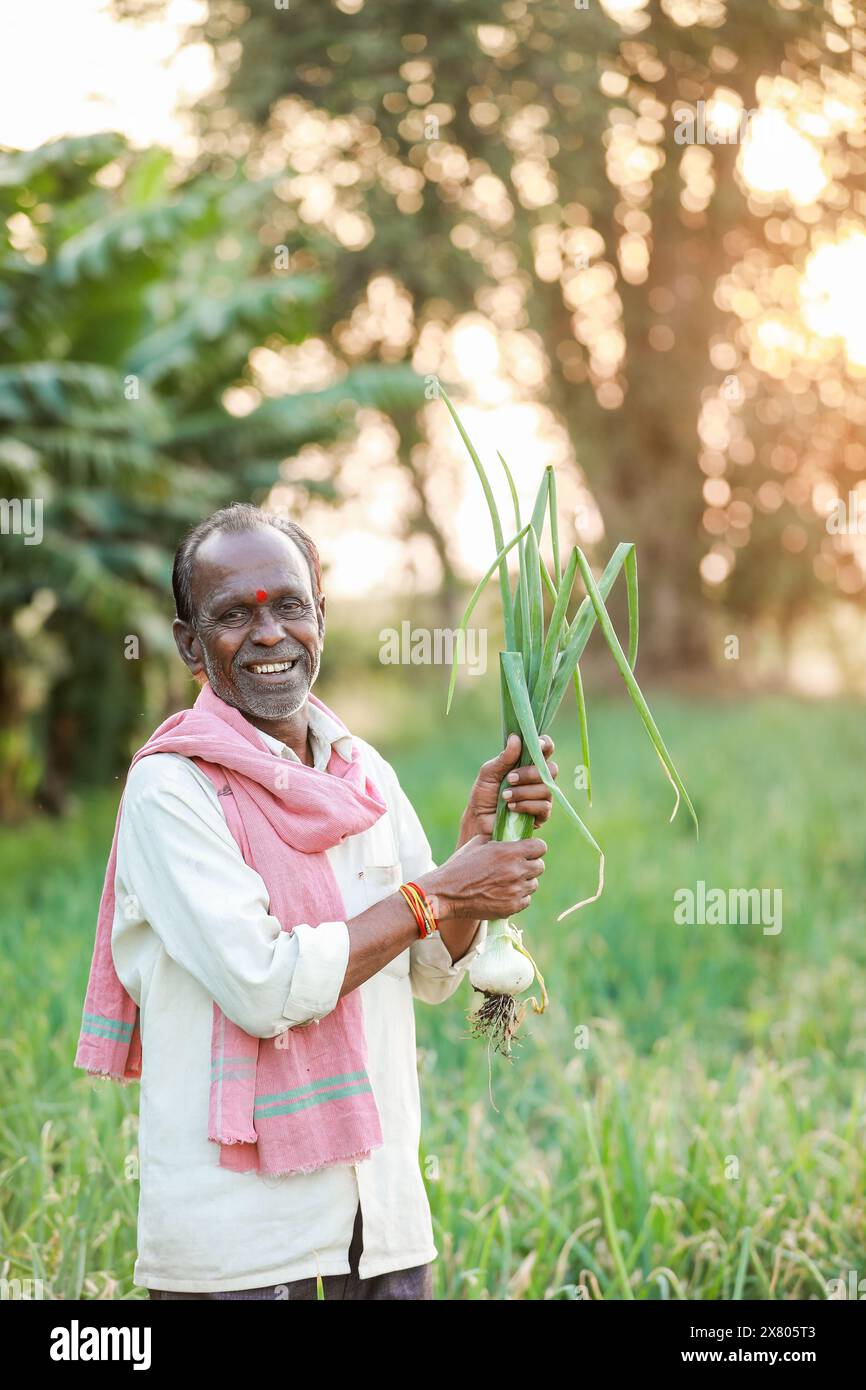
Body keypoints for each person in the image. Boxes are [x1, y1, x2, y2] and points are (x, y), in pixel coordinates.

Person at [75, 503, 556, 1300]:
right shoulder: (171, 790)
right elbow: (267, 987)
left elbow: (431, 968)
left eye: (289, 605)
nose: (269, 634)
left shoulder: (359, 771)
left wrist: (472, 857)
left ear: (321, 618)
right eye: (234, 615)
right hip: (244, 1246)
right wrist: (440, 889)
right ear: (191, 645)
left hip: (384, 1222)